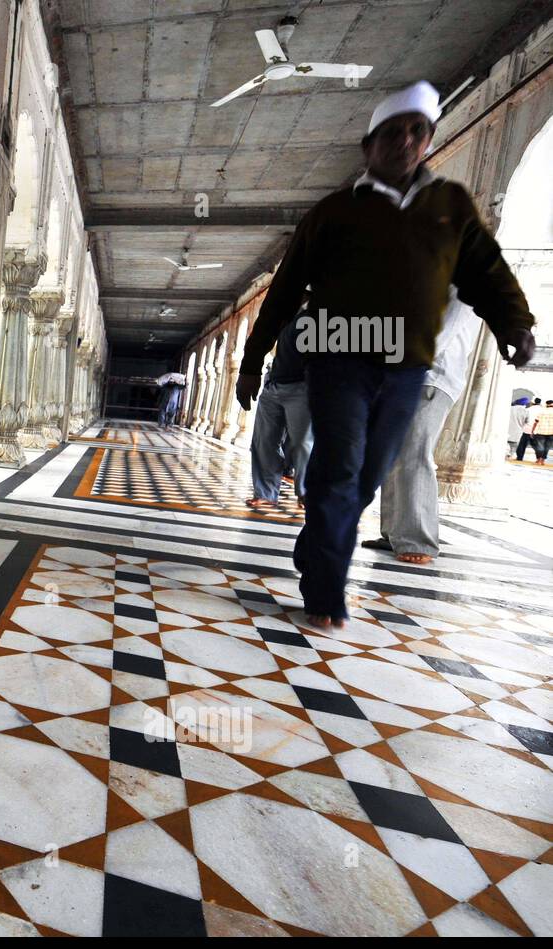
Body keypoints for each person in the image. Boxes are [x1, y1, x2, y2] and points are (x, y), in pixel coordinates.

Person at [234, 81, 535, 629]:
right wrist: (253, 359)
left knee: (367, 477)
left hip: (407, 369)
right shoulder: (333, 213)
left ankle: (315, 549)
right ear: (368, 147)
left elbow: (485, 272)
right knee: (341, 469)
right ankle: (325, 593)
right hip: (340, 359)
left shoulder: (450, 207)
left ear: (428, 141)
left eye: (416, 132)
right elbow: (284, 292)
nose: (405, 143)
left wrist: (515, 323)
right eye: (392, 133)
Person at [361, 290, 480, 564]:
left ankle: (419, 540)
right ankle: (393, 533)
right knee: (394, 454)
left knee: (415, 452)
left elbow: (442, 331)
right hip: (406, 375)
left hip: (431, 377)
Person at [248, 307, 312, 511]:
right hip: (273, 385)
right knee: (263, 441)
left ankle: (305, 493)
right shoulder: (287, 317)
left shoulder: (323, 315)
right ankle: (265, 494)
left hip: (302, 387)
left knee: (303, 443)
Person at [517, 397, 542, 461]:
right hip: (536, 430)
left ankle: (519, 457)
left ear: (533, 402)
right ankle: (539, 458)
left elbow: (524, 419)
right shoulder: (542, 410)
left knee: (522, 444)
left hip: (527, 429)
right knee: (536, 445)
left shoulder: (528, 409)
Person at [533, 399, 553, 465]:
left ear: (546, 404)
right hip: (551, 432)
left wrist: (532, 430)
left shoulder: (542, 411)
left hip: (540, 431)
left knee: (539, 446)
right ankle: (542, 460)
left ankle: (538, 459)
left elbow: (536, 422)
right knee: (547, 447)